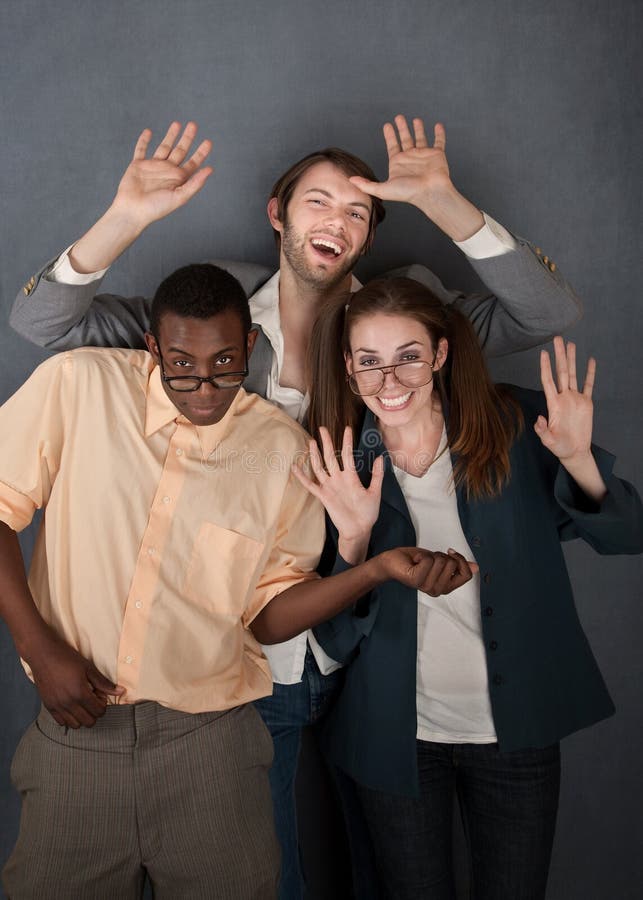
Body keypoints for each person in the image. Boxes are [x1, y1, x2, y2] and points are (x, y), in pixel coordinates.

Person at [9, 116, 582, 898]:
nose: (335, 223)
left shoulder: (393, 315)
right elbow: (43, 325)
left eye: (356, 212)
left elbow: (544, 314)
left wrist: (447, 203)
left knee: (378, 869)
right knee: (264, 869)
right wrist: (128, 218)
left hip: (370, 644)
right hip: (244, 655)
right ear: (279, 214)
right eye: (318, 202)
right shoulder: (218, 311)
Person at [0, 263, 476, 900]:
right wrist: (38, 648)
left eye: (225, 363)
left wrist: (376, 568)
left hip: (213, 749)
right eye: (182, 366)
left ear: (250, 346)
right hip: (77, 739)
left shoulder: (280, 450)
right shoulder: (76, 385)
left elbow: (269, 614)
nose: (204, 387)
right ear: (152, 348)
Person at [292, 275, 643, 900]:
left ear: (442, 353)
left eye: (408, 358)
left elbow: (626, 536)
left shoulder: (513, 425)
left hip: (517, 735)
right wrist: (353, 541)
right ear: (347, 369)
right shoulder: (338, 462)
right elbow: (333, 642)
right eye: (369, 363)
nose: (389, 382)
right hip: (393, 740)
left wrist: (578, 458)